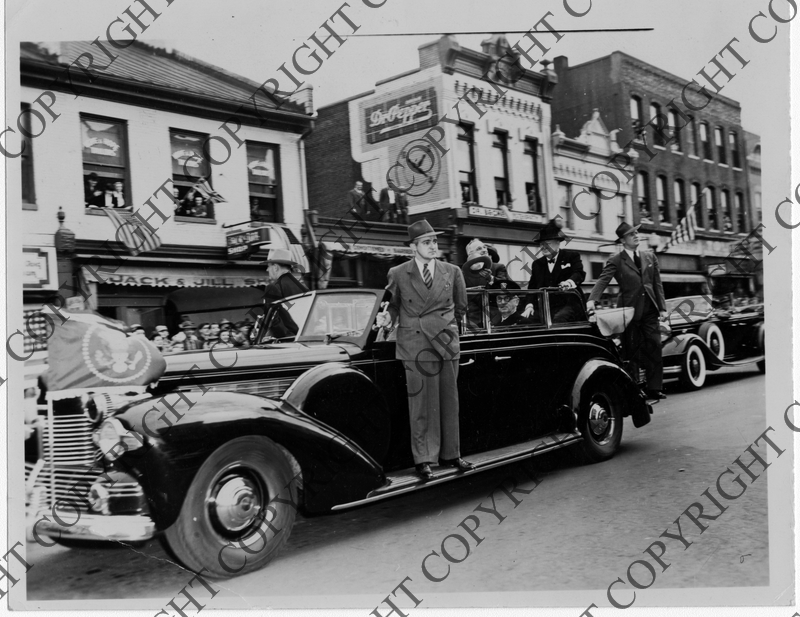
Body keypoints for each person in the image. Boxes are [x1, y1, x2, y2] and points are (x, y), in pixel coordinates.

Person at [375, 219, 473, 480]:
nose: (433, 246)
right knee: (420, 405)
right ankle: (424, 459)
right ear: (413, 246)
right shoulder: (398, 273)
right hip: (415, 345)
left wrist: (447, 327)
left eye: (434, 241)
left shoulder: (452, 271)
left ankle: (452, 454)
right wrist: (388, 318)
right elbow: (393, 306)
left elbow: (461, 307)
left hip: (444, 342)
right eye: (427, 242)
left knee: (449, 402)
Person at [587, 222, 668, 400]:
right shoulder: (616, 260)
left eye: (636, 232)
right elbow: (603, 280)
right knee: (631, 350)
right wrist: (592, 300)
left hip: (650, 311)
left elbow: (657, 284)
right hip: (628, 312)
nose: (636, 235)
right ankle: (634, 390)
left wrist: (662, 308)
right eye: (632, 234)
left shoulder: (650, 257)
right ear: (623, 241)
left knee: (654, 346)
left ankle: (655, 388)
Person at [522, 218, 586, 322]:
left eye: (548, 243)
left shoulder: (571, 256)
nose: (544, 247)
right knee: (524, 321)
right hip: (546, 307)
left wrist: (568, 283)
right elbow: (532, 288)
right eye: (541, 244)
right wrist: (529, 305)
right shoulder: (537, 264)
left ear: (558, 243)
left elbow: (579, 273)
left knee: (559, 320)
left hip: (569, 304)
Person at [262, 248, 309, 338]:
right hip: (304, 338)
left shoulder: (272, 287)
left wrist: (288, 338)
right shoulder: (304, 288)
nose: (267, 270)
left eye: (268, 266)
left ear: (275, 267)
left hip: (286, 342)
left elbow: (272, 321)